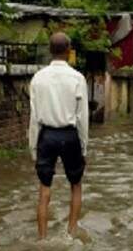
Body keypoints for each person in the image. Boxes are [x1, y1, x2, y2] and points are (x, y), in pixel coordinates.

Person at [28, 32, 89, 239]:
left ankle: (42, 239)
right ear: (69, 51)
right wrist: (84, 148)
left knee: (44, 189)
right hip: (70, 135)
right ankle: (71, 232)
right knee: (76, 185)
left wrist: (33, 150)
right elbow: (82, 118)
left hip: (46, 136)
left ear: (50, 50)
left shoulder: (38, 78)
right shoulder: (77, 78)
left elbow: (34, 118)